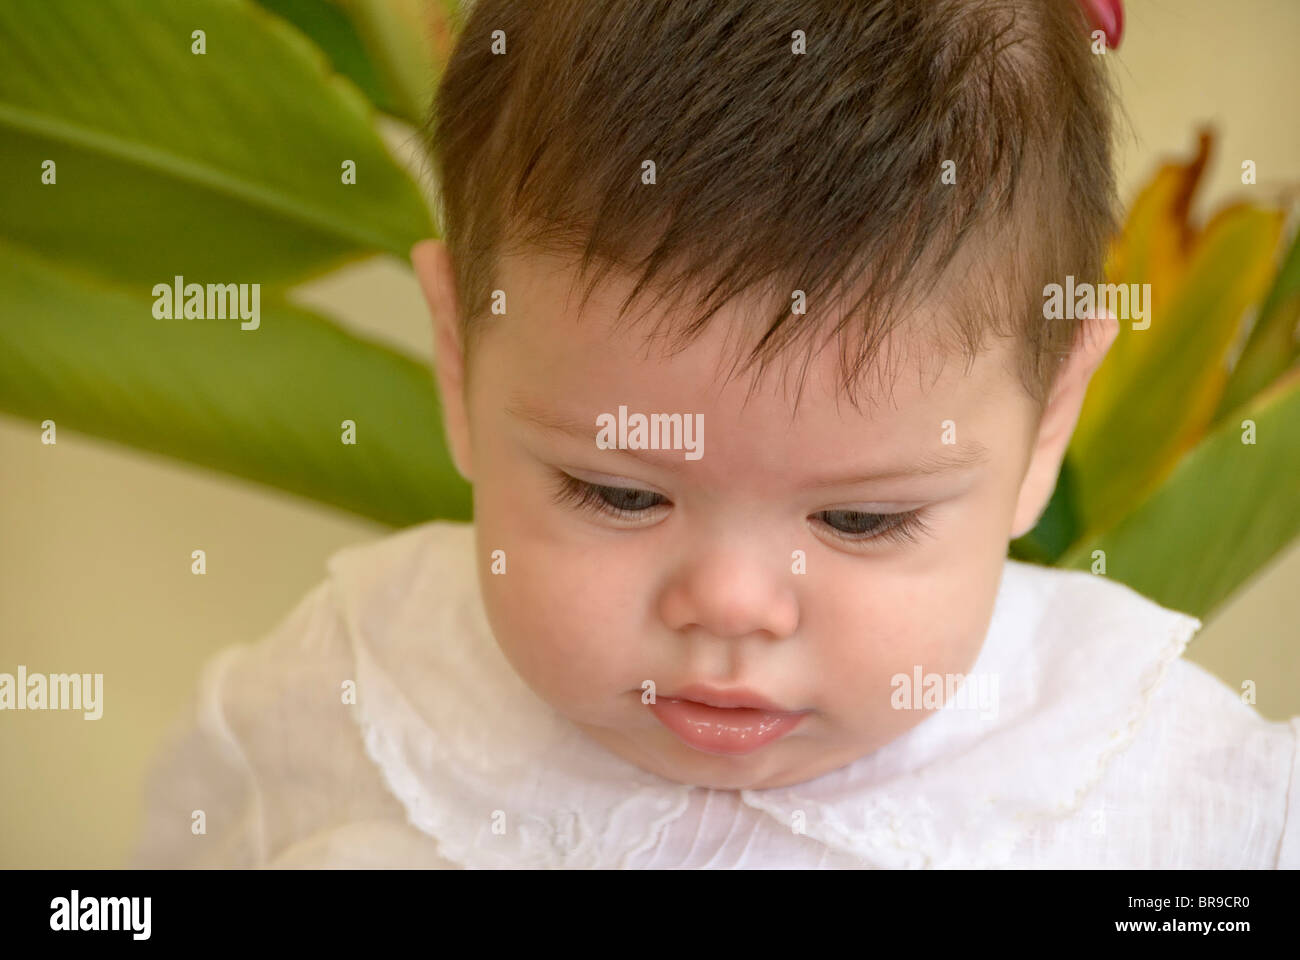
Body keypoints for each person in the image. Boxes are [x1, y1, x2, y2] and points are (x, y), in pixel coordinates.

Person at [133, 0, 1297, 869]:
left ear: (1047, 423)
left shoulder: (1166, 801)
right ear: (459, 357)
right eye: (617, 493)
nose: (733, 603)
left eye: (860, 517)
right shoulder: (347, 691)